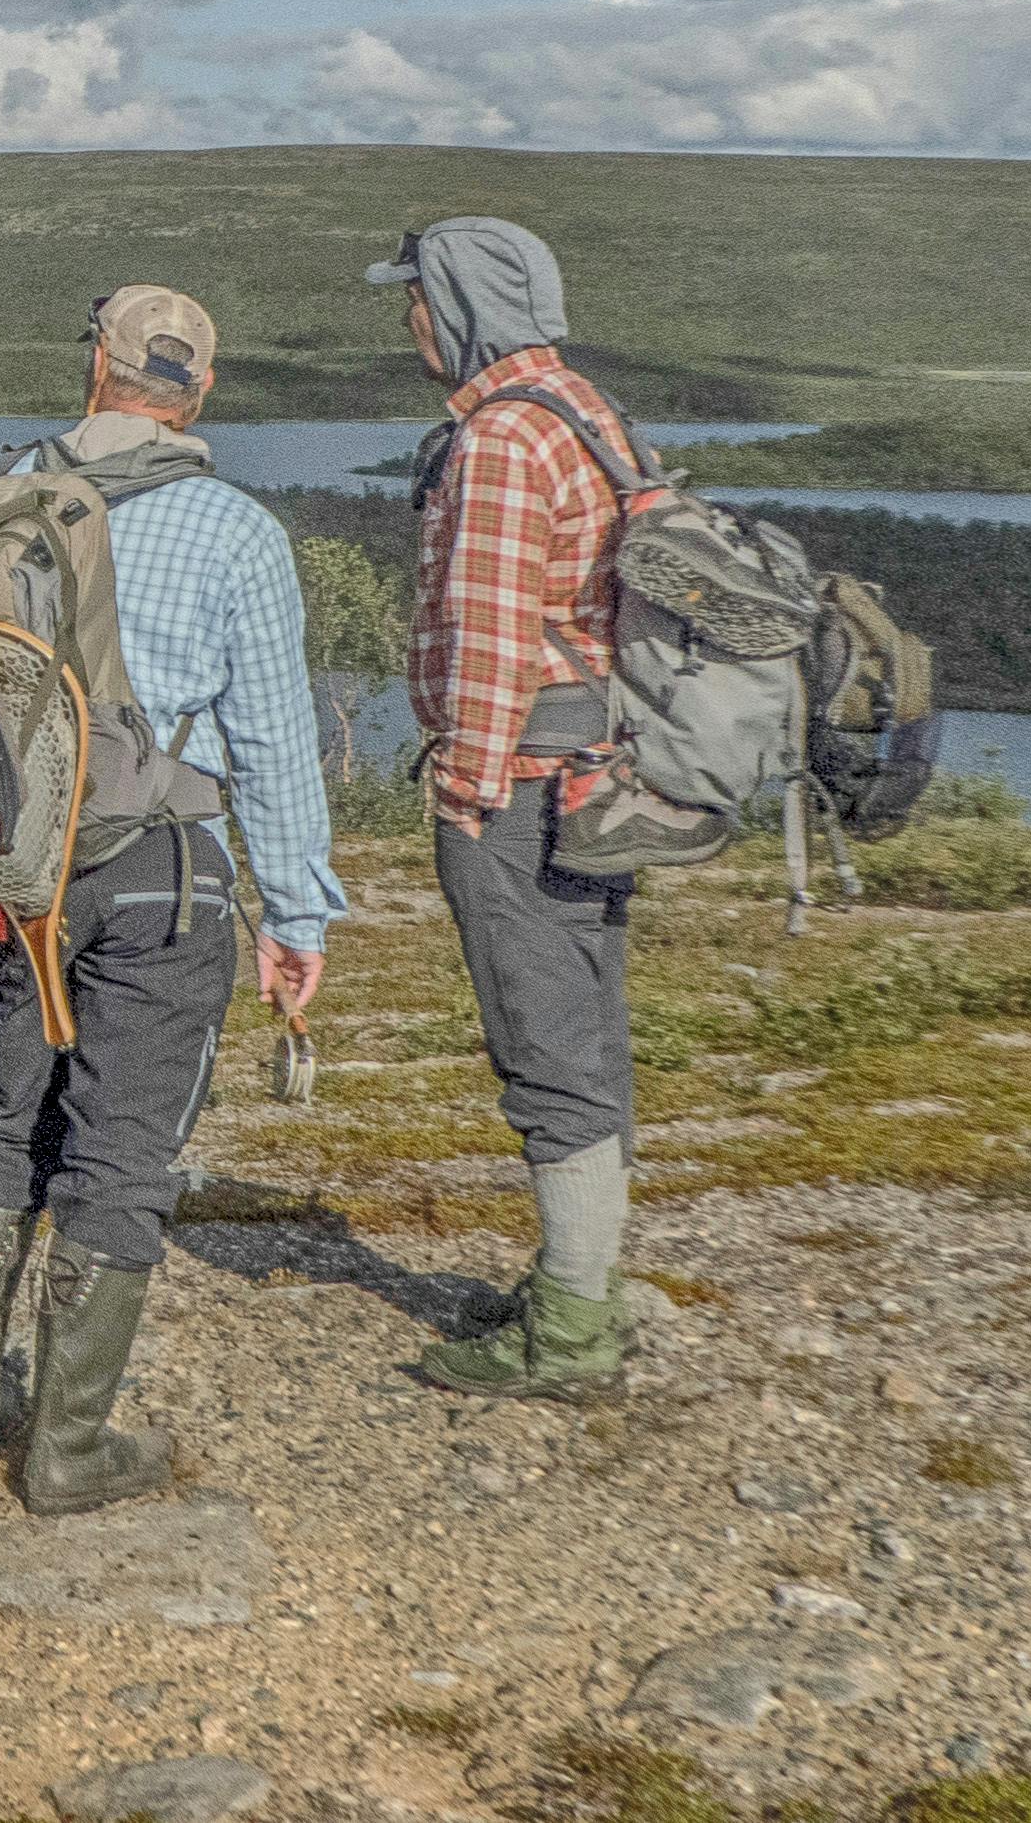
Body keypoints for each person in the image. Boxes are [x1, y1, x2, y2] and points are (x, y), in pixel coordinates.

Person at [0, 285, 342, 1514]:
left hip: (17, 870)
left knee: (4, 1121)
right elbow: (270, 742)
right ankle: (63, 1451)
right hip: (163, 875)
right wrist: (295, 918)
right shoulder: (235, 531)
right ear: (197, 391)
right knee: (121, 1150)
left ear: (95, 368)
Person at [365, 214, 640, 1400]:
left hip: (521, 778)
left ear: (460, 305)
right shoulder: (583, 409)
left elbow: (487, 633)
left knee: (542, 1042)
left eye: (418, 297)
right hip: (598, 764)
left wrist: (463, 786)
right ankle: (583, 1276)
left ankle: (572, 1334)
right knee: (585, 1025)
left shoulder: (499, 442)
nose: (409, 318)